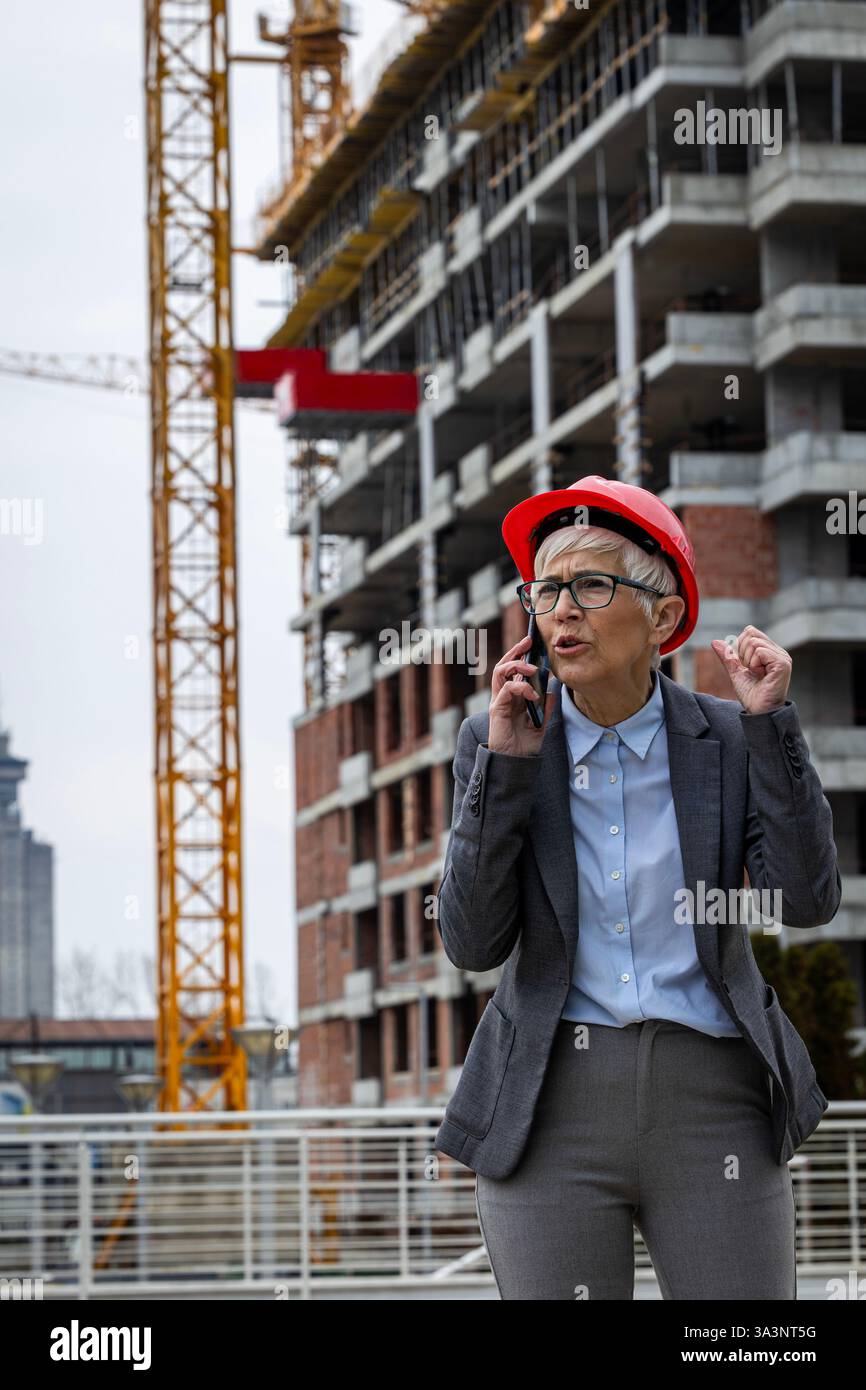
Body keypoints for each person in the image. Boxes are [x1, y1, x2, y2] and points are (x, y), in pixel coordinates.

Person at [434, 474, 840, 1300]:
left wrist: (772, 727)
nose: (561, 612)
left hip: (715, 1103)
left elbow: (804, 900)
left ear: (662, 617)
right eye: (546, 590)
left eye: (590, 586)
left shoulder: (729, 737)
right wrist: (505, 773)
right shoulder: (499, 739)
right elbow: (472, 943)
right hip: (548, 1104)